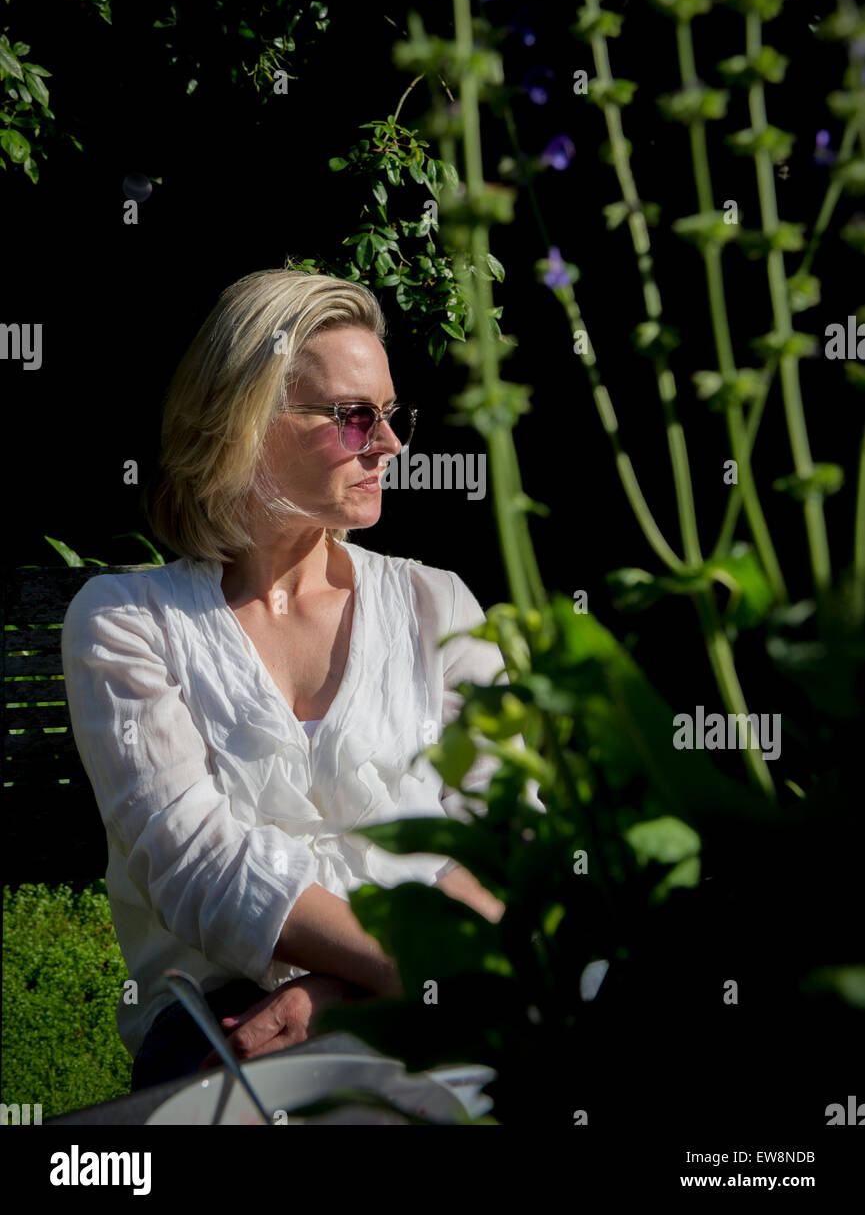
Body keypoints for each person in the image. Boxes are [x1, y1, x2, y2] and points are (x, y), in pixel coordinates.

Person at [61, 267, 543, 1092]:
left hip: (442, 983)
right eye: (355, 418)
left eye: (394, 417)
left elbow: (507, 835)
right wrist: (394, 976)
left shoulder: (435, 604)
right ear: (244, 422)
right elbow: (197, 864)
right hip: (231, 1014)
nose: (389, 446)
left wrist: (354, 988)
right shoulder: (127, 621)